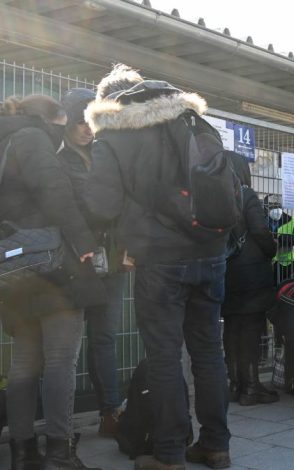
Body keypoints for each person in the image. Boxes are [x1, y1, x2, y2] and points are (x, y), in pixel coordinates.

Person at [84, 64, 231, 470]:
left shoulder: (115, 134)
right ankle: (216, 446)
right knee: (208, 352)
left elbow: (102, 205)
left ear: (110, 101)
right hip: (212, 252)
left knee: (164, 355)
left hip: (161, 259)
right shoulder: (197, 122)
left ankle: (168, 455)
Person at [1, 95, 101, 470]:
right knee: (60, 359)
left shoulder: (6, 140)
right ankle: (60, 451)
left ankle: (23, 453)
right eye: (63, 127)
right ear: (52, 123)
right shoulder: (33, 138)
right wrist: (85, 242)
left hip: (11, 268)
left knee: (24, 362)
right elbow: (55, 191)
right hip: (51, 265)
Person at [57, 87, 125, 437]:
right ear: (66, 119)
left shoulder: (103, 154)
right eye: (80, 120)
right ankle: (61, 427)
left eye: (92, 120)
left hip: (110, 260)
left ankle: (109, 413)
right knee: (66, 346)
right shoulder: (58, 157)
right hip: (75, 262)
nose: (86, 127)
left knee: (105, 337)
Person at [222, 152, 279, 406]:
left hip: (225, 270)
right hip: (251, 272)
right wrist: (271, 249)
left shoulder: (217, 195)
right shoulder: (246, 195)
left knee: (232, 327)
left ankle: (235, 384)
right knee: (251, 329)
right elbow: (259, 229)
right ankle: (251, 386)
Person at [265, 194, 294, 284]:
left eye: (278, 205)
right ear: (266, 207)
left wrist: (281, 239)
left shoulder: (291, 221)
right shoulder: (262, 221)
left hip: (288, 263)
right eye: (272, 205)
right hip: (268, 263)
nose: (276, 208)